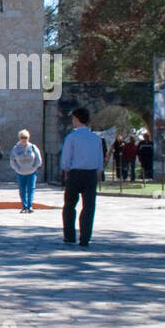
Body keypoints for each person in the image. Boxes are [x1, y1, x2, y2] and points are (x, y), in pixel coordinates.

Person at [61, 106, 104, 247]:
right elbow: (99, 157)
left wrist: (66, 171)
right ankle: (85, 237)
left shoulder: (72, 137)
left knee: (69, 206)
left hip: (75, 173)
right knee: (89, 207)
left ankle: (69, 236)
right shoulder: (96, 138)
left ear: (76, 119)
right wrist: (98, 172)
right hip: (90, 173)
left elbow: (66, 157)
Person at [8, 129, 43, 213]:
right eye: (22, 137)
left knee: (31, 189)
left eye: (25, 137)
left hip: (31, 172)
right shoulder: (16, 148)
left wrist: (34, 168)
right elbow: (12, 161)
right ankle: (24, 206)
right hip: (20, 172)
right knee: (22, 189)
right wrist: (17, 169)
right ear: (19, 138)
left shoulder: (32, 147)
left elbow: (38, 160)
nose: (24, 139)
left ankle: (30, 206)